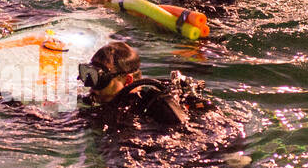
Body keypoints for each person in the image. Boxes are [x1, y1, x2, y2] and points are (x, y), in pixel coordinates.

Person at [77, 41, 215, 130]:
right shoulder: (149, 101)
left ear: (128, 80)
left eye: (101, 80)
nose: (92, 87)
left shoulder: (139, 109)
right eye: (89, 76)